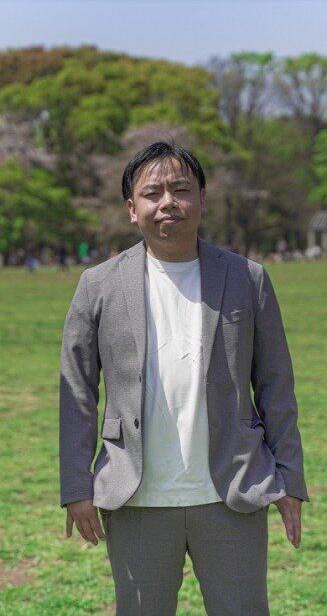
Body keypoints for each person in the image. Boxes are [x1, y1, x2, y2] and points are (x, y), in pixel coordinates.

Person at [59, 142, 308, 616]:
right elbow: (77, 393)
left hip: (231, 492)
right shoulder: (98, 284)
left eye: (181, 189)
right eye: (152, 193)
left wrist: (290, 477)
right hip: (136, 497)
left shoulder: (247, 277)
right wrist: (76, 487)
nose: (168, 202)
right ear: (132, 208)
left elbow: (276, 385)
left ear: (202, 200)